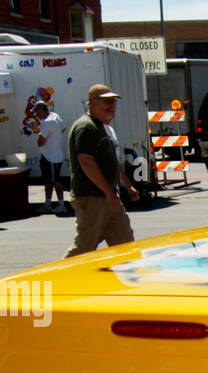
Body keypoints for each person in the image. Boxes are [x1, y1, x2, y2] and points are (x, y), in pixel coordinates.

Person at [65, 85, 138, 258]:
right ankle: (61, 280)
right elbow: (86, 162)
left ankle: (128, 281)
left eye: (113, 102)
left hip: (108, 197)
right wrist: (109, 193)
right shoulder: (85, 127)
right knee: (84, 249)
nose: (111, 106)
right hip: (92, 198)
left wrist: (128, 186)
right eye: (107, 102)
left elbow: (113, 161)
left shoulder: (102, 128)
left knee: (125, 244)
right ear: (92, 103)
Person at [33, 101, 66, 213]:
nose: (37, 115)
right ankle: (48, 203)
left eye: (38, 112)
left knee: (55, 180)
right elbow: (63, 128)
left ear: (43, 110)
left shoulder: (47, 123)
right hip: (50, 155)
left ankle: (61, 204)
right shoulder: (55, 116)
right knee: (48, 180)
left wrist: (52, 140)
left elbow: (40, 142)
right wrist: (55, 138)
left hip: (52, 157)